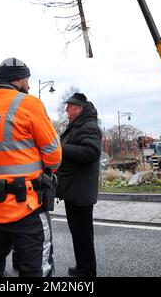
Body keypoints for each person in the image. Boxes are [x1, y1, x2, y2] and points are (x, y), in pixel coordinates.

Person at [0, 57, 62, 277]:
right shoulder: (29, 103)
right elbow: (54, 157)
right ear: (19, 79)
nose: (29, 85)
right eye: (27, 80)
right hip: (26, 207)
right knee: (35, 271)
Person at [56, 92, 101, 277]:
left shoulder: (88, 126)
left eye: (70, 106)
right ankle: (83, 266)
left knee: (82, 234)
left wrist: (61, 149)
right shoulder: (78, 125)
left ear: (79, 109)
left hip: (80, 190)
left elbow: (91, 152)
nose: (66, 109)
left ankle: (87, 271)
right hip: (74, 188)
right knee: (78, 232)